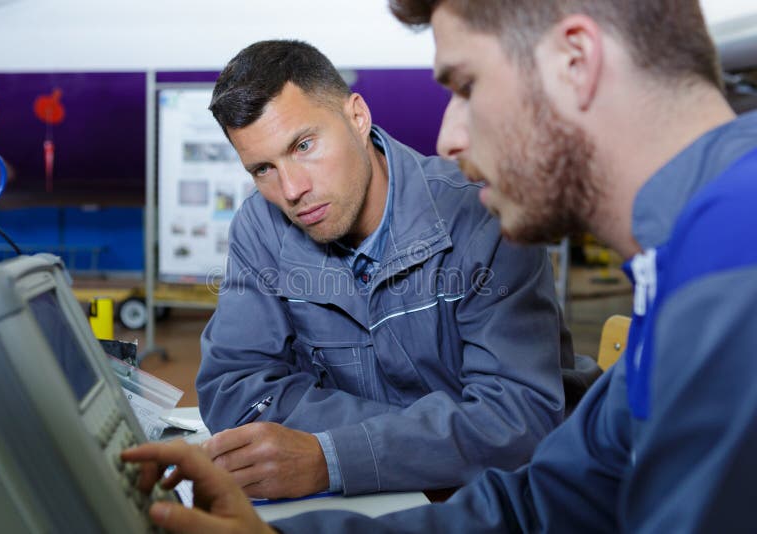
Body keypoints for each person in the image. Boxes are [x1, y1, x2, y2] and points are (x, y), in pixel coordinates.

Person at [122, 0, 757, 532]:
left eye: (467, 87)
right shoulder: (685, 269)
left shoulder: (733, 280)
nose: (449, 138)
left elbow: (517, 431)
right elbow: (535, 504)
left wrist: (334, 453)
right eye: (263, 169)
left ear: (577, 61)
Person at [195, 39, 592, 500]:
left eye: (303, 145)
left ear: (357, 116)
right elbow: (234, 391)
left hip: (510, 502)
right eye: (263, 169)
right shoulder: (262, 228)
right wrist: (418, 441)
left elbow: (515, 419)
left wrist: (333, 456)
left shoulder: (483, 216)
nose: (292, 189)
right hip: (383, 501)